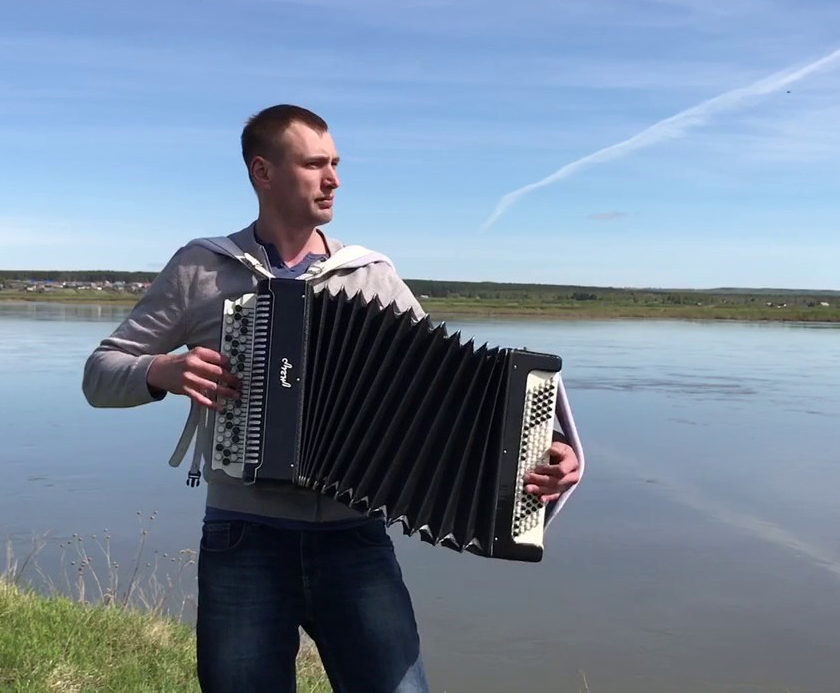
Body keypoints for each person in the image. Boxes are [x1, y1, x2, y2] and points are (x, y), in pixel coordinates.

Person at [81, 104, 582, 692]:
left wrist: (548, 451)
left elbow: (450, 394)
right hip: (243, 535)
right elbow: (99, 373)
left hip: (354, 540)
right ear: (262, 173)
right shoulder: (203, 268)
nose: (334, 179)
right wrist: (162, 371)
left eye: (335, 164)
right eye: (315, 164)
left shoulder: (370, 275)